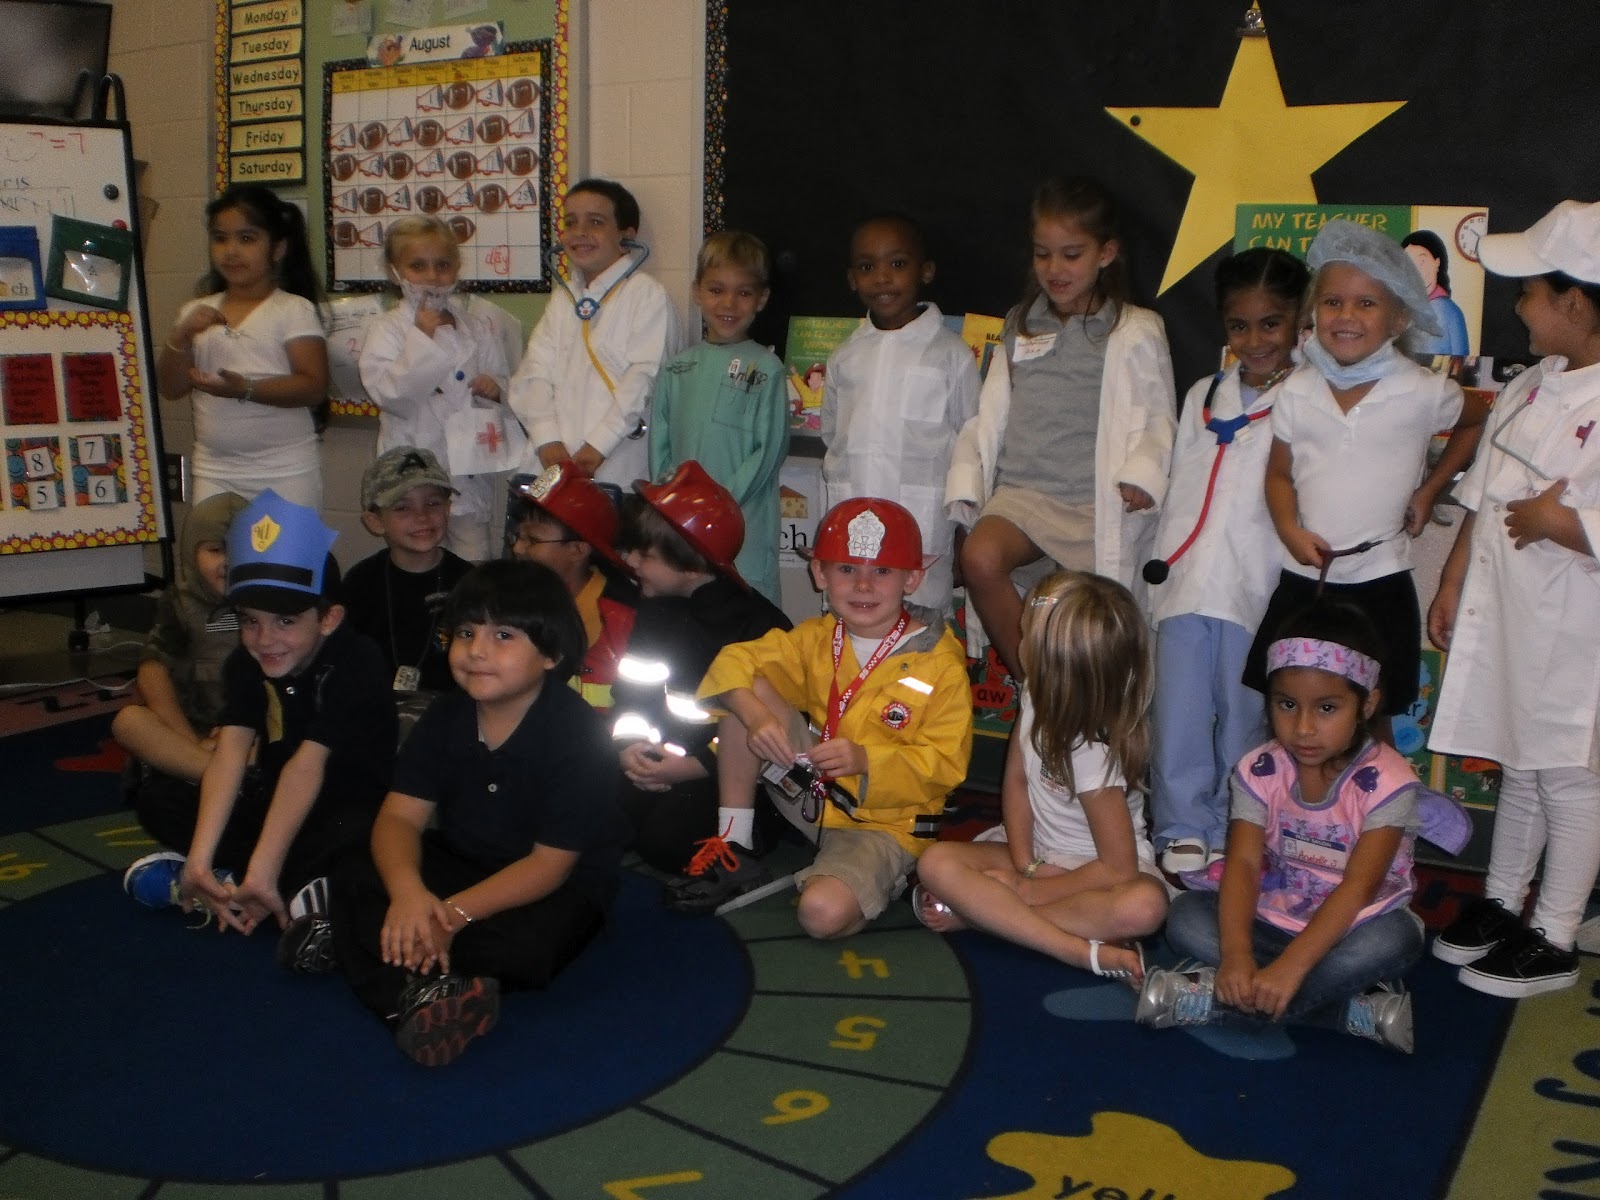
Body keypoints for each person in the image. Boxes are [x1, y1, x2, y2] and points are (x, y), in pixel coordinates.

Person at [280, 561, 628, 1067]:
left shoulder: (578, 736)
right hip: (462, 859)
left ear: (551, 653)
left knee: (527, 955)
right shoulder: (446, 715)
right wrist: (408, 894)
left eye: (503, 635)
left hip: (552, 883)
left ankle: (371, 954)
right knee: (357, 863)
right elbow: (400, 818)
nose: (477, 650)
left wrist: (454, 915)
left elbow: (548, 866)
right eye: (466, 632)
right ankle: (416, 989)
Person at [1426, 200, 1600, 998]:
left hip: (1575, 637)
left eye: (1531, 292)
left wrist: (1563, 522)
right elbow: (1486, 492)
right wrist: (1455, 580)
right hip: (1514, 623)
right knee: (1519, 767)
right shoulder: (1536, 381)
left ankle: (1555, 932)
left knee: (1568, 776)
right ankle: (1502, 905)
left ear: (1576, 303)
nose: (1520, 307)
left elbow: (1562, 516)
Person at [677, 497, 973, 938]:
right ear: (819, 574)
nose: (864, 586)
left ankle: (889, 876)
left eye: (883, 571)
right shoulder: (818, 638)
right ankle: (734, 841)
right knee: (744, 686)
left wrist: (866, 759)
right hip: (811, 790)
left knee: (820, 915)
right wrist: (757, 716)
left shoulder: (941, 663)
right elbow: (734, 661)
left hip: (882, 823)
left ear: (912, 579)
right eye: (847, 569)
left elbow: (946, 766)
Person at [1136, 601, 1424, 1054]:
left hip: (1352, 925)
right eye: (1287, 704)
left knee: (1396, 940)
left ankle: (1217, 1000)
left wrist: (1290, 967)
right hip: (1273, 913)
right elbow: (1245, 864)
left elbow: (1358, 888)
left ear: (1366, 703)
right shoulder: (1259, 769)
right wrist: (1235, 954)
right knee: (1187, 916)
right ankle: (1347, 1010)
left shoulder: (1389, 783)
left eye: (1327, 707)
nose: (1303, 728)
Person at [123, 490, 396, 940]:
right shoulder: (247, 662)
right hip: (277, 803)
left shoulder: (357, 661)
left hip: (345, 807)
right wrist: (199, 860)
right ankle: (239, 882)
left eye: (285, 622)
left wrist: (264, 867)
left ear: (328, 619)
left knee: (359, 842)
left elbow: (306, 769)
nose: (264, 638)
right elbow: (230, 756)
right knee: (160, 799)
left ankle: (258, 882)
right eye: (250, 621)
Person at [1246, 219, 1488, 727]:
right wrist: (1290, 530)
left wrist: (1430, 488)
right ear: (1315, 311)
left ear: (1398, 319)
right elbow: (1277, 476)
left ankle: (1376, 808)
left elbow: (1477, 419)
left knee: (1372, 721)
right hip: (1305, 582)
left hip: (1380, 581)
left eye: (1366, 303)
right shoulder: (1296, 390)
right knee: (1296, 720)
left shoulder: (1423, 390)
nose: (1346, 315)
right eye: (1332, 302)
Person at [948, 177, 1176, 678]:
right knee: (980, 558)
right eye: (1042, 254)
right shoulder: (1020, 323)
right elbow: (991, 413)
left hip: (1091, 503)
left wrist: (1145, 471)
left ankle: (1086, 708)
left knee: (1090, 631)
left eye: (1071, 254)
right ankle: (1039, 691)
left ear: (1105, 253)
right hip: (1024, 494)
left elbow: (1160, 414)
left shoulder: (1134, 328)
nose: (1055, 269)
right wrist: (969, 483)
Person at [913, 571, 1167, 982]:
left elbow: (1117, 869)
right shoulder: (1035, 691)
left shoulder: (1092, 752)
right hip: (1038, 852)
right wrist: (1024, 864)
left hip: (1096, 871)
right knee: (935, 861)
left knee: (1144, 907)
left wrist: (1032, 890)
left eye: (1026, 634)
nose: (1018, 642)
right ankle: (1072, 943)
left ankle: (995, 922)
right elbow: (1015, 781)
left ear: (1055, 663)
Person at [1146, 249, 1311, 876]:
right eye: (1239, 325)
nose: (1254, 339)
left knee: (1246, 716)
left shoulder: (1308, 401)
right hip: (1185, 584)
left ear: (1299, 321)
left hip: (1256, 586)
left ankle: (1241, 820)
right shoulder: (1203, 396)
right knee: (1179, 713)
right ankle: (1183, 823)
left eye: (1271, 323)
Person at [610, 461, 791, 873]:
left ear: (691, 564)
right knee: (588, 806)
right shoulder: (654, 609)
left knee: (668, 844)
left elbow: (766, 731)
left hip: (727, 778)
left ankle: (755, 833)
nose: (631, 561)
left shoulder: (758, 627)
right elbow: (632, 692)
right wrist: (629, 749)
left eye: (646, 554)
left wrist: (692, 768)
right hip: (659, 761)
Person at [822, 213, 980, 614]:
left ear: (925, 271)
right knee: (853, 630)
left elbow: (971, 447)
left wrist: (966, 533)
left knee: (920, 638)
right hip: (853, 527)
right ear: (851, 278)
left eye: (897, 264)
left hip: (923, 533)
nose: (881, 278)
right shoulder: (845, 357)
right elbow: (833, 440)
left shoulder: (950, 355)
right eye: (866, 266)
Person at [157, 184, 329, 509]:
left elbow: (312, 386)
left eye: (247, 239)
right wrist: (180, 337)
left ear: (277, 248)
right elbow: (170, 388)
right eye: (220, 238)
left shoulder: (293, 310)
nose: (231, 251)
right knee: (216, 560)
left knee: (282, 561)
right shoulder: (196, 312)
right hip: (214, 471)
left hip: (286, 472)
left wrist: (244, 388)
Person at [509, 178, 678, 489]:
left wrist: (596, 448)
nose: (580, 232)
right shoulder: (563, 299)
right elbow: (533, 374)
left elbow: (644, 377)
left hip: (615, 463)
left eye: (596, 222)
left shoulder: (646, 295)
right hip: (550, 464)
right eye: (570, 222)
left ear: (627, 236)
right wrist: (547, 440)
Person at [360, 215, 511, 562]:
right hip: (414, 475)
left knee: (474, 562)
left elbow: (503, 378)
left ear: (457, 268)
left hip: (467, 473)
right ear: (395, 272)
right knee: (420, 560)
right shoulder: (387, 329)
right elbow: (392, 396)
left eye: (443, 265)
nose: (432, 276)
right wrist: (421, 339)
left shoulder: (476, 326)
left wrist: (497, 388)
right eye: (418, 266)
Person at [649, 231, 790, 604]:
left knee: (744, 617)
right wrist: (671, 505)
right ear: (697, 292)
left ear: (762, 299)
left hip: (744, 521)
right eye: (716, 290)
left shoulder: (767, 368)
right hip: (683, 524)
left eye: (743, 292)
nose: (729, 303)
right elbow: (660, 447)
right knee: (689, 611)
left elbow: (768, 450)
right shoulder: (678, 368)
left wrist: (719, 504)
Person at [114, 492, 248, 821]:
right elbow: (152, 673)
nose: (228, 562)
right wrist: (190, 742)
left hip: (249, 735)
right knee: (129, 721)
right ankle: (217, 776)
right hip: (193, 735)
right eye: (215, 550)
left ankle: (216, 779)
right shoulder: (180, 602)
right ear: (192, 551)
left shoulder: (270, 599)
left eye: (240, 550)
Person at [339, 447, 474, 696]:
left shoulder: (470, 583)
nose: (422, 517)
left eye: (433, 503)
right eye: (402, 508)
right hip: (376, 708)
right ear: (375, 521)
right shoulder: (360, 584)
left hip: (449, 710)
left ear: (448, 509)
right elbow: (345, 664)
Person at [508, 461, 639, 709]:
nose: (517, 548)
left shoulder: (623, 615)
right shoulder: (507, 598)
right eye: (518, 536)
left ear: (578, 549)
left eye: (532, 540)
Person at [1400, 230, 1470, 359]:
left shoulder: (1441, 309)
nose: (1417, 271)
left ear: (1437, 262)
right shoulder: (1409, 309)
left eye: (1422, 261)